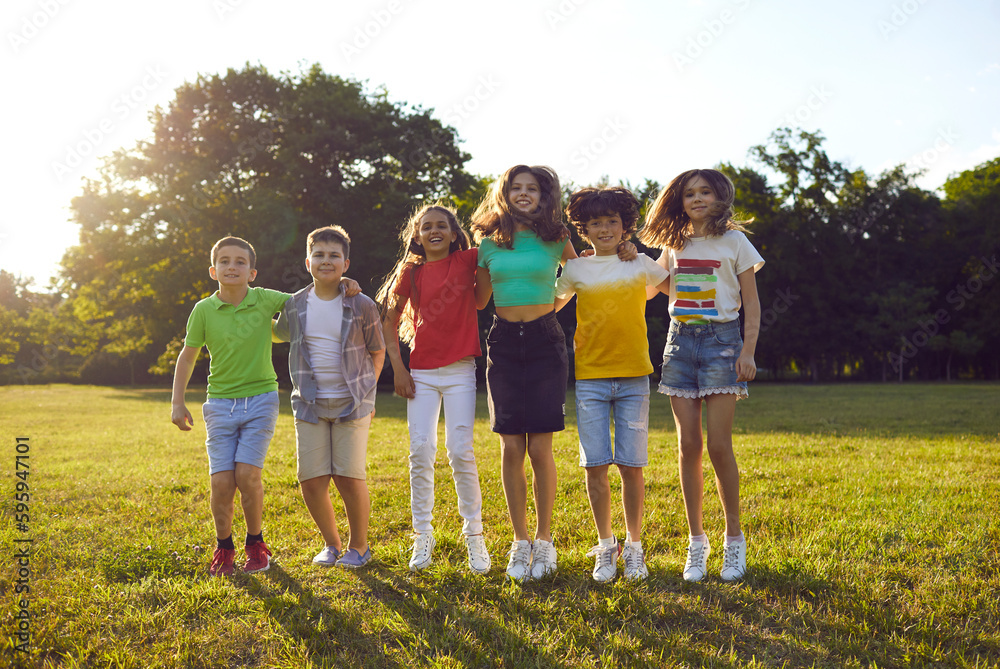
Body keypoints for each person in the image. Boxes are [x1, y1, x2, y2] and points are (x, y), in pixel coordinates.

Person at [471, 165, 637, 581]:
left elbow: (587, 273)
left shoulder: (558, 238)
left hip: (545, 341)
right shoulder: (488, 243)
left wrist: (625, 251)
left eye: (533, 189)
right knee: (511, 447)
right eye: (517, 187)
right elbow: (476, 301)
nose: (524, 194)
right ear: (504, 193)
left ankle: (545, 543)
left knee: (540, 449)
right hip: (504, 342)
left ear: (545, 197)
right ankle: (520, 540)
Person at [637, 168, 764, 582]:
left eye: (705, 192)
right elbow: (654, 285)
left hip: (722, 344)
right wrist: (621, 260)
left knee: (719, 447)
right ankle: (696, 542)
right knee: (687, 445)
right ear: (681, 200)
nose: (696, 199)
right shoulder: (675, 244)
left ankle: (733, 540)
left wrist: (748, 351)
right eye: (690, 193)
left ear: (719, 197)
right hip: (679, 344)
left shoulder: (735, 242)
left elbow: (751, 303)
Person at [554, 187, 670, 582]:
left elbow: (671, 287)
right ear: (583, 229)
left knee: (632, 465)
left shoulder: (637, 262)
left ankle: (634, 547)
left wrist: (641, 253)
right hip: (590, 379)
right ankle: (607, 546)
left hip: (635, 376)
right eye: (596, 223)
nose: (604, 228)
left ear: (625, 227)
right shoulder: (576, 270)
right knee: (596, 465)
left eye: (612, 222)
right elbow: (546, 305)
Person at [377, 203, 492, 575]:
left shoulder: (469, 260)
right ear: (417, 236)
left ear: (455, 233)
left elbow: (482, 295)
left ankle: (474, 535)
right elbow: (388, 323)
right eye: (427, 227)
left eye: (442, 225)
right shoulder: (411, 273)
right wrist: (399, 370)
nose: (434, 231)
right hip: (422, 374)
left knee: (460, 451)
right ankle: (422, 534)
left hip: (460, 372)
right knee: (420, 449)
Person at [170, 236, 291, 576]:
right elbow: (187, 356)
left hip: (262, 400)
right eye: (225, 261)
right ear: (213, 270)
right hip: (220, 405)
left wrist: (343, 282)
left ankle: (256, 543)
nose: (232, 266)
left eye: (240, 261)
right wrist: (177, 402)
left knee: (247, 475)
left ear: (252, 272)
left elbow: (307, 302)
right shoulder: (203, 310)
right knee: (222, 484)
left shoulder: (266, 299)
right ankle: (225, 548)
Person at [272, 225, 385, 569]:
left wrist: (367, 395)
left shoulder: (361, 304)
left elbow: (377, 351)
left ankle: (359, 547)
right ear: (308, 262)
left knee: (349, 476)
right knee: (311, 479)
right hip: (309, 403)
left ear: (345, 263)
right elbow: (275, 333)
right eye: (319, 255)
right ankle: (332, 544)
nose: (326, 260)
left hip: (353, 403)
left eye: (334, 255)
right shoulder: (294, 306)